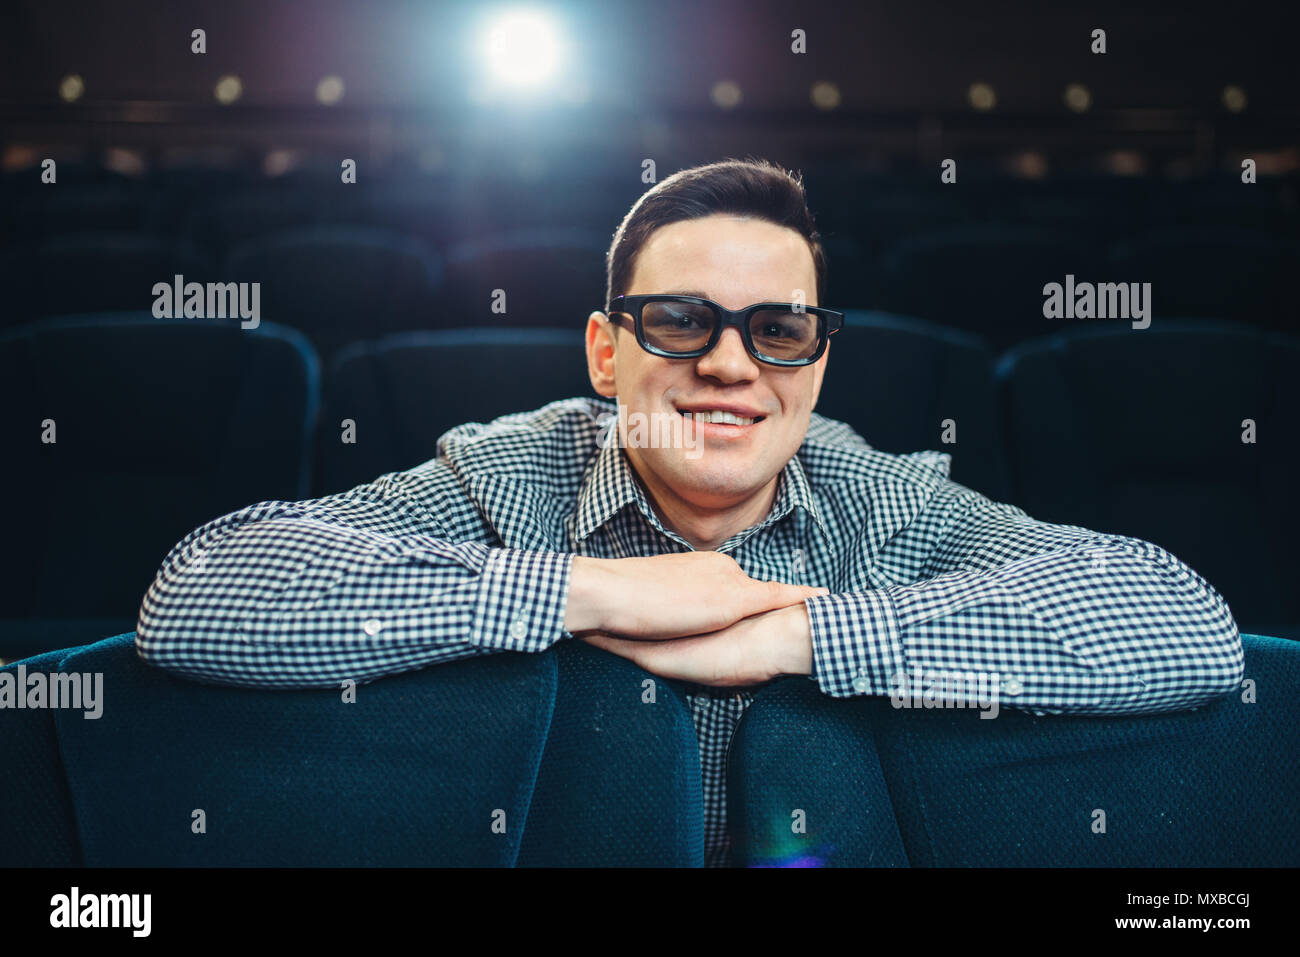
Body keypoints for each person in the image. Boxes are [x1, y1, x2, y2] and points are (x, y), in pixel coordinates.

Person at [136, 157, 1244, 867]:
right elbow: (200, 590)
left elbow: (1179, 617)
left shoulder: (887, 504)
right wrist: (596, 590)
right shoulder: (507, 478)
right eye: (680, 321)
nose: (729, 366)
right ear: (605, 355)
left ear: (814, 365)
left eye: (776, 330)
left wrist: (792, 632)